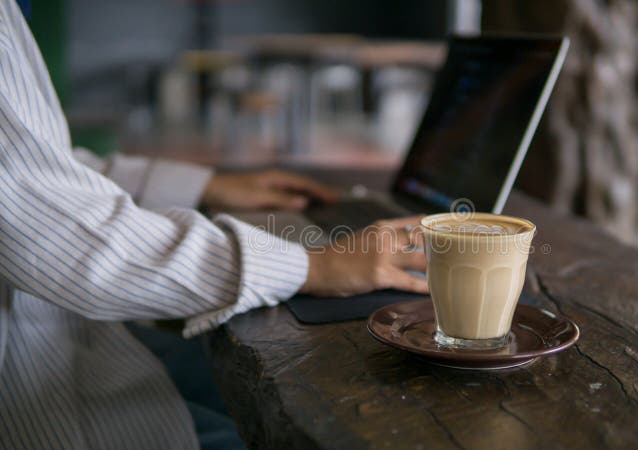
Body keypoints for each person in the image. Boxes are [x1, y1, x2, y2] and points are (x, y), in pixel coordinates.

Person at [0, 1, 427, 448]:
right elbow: (54, 233)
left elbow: (50, 172)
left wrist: (205, 186)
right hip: (42, 394)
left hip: (78, 345)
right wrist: (312, 267)